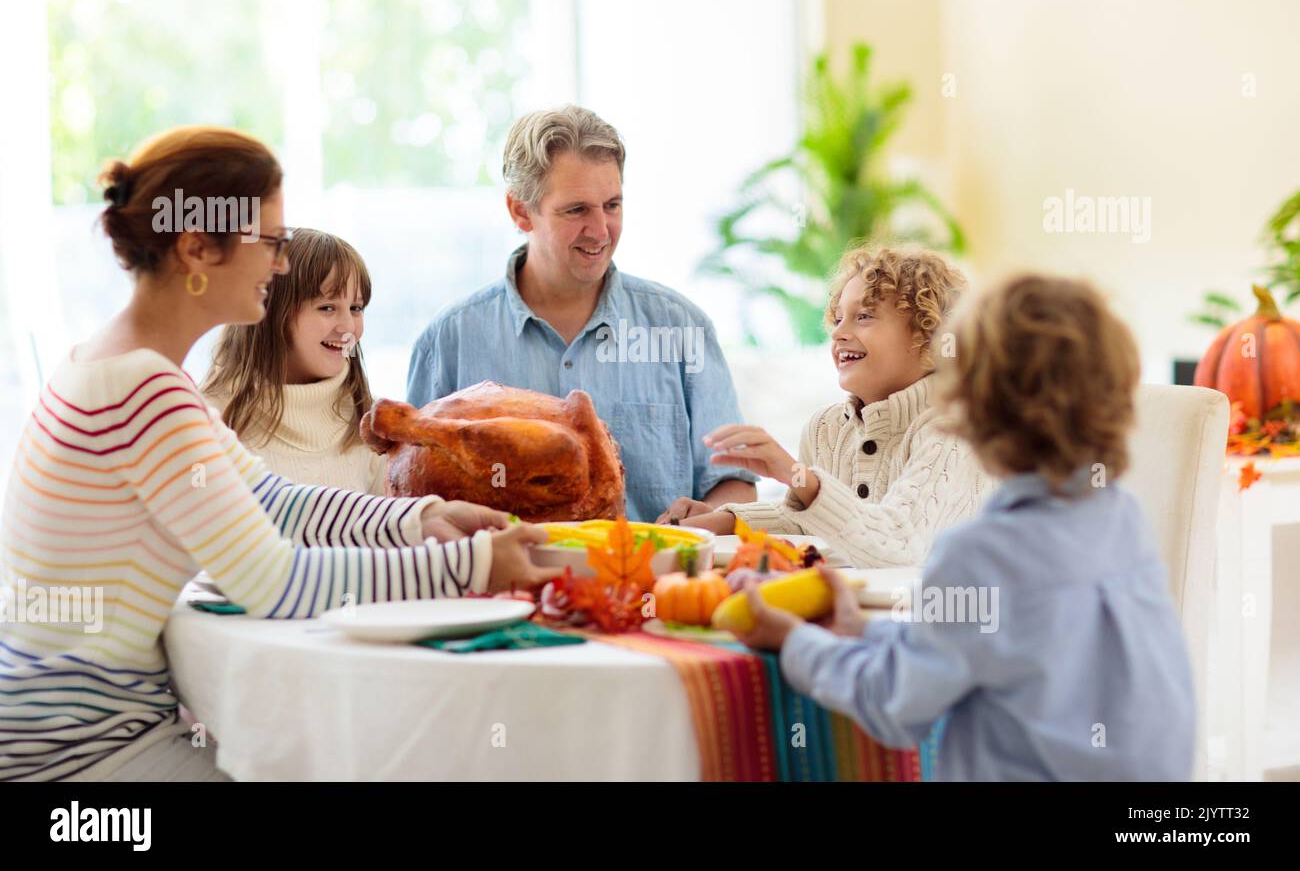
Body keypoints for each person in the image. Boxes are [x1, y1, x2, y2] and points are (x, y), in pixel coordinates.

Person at [0, 126, 556, 782]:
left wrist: (416, 520)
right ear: (197, 247)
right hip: (84, 760)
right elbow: (272, 583)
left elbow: (268, 499)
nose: (281, 263)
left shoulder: (118, 366)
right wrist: (473, 564)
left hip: (81, 737)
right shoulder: (143, 391)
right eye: (270, 242)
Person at [735, 274, 1196, 780]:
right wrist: (865, 630)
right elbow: (992, 644)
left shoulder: (982, 553)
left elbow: (893, 702)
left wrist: (794, 640)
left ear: (968, 406)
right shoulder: (1118, 516)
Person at [406, 105, 758, 522]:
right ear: (521, 211)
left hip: (651, 580)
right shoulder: (450, 341)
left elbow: (736, 483)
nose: (600, 229)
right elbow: (410, 498)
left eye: (612, 205)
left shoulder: (683, 328)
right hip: (498, 584)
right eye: (576, 210)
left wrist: (711, 518)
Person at [667, 244, 988, 569]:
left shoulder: (955, 428)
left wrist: (799, 477)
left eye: (864, 316)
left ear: (930, 335)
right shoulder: (827, 428)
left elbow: (898, 546)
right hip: (859, 607)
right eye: (837, 319)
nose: (838, 332)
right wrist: (721, 521)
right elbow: (808, 520)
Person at [203, 228, 386, 494]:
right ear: (271, 313)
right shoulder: (210, 421)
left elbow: (395, 530)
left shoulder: (371, 422)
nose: (348, 327)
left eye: (356, 308)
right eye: (327, 307)